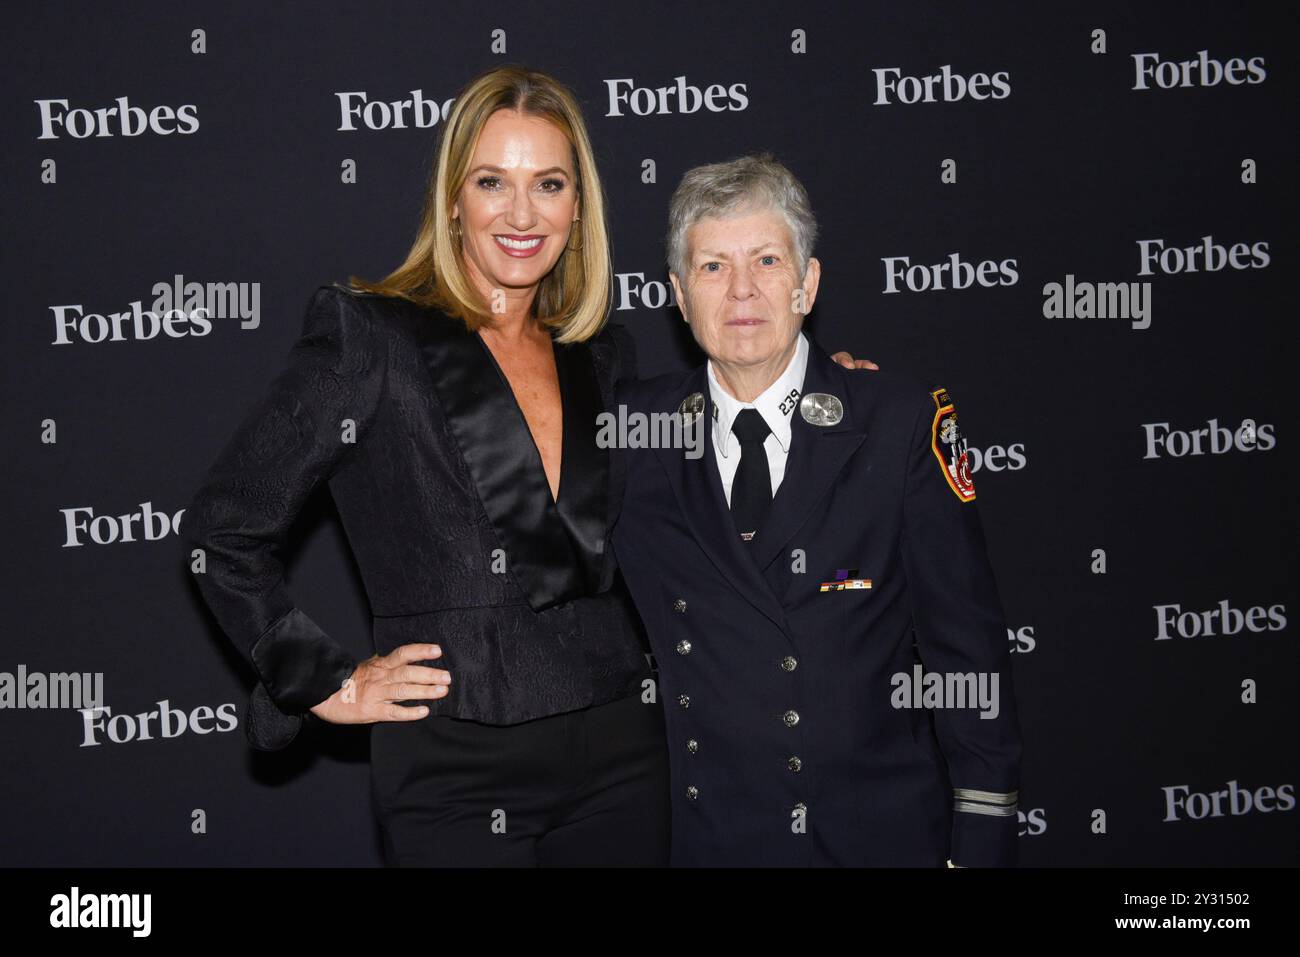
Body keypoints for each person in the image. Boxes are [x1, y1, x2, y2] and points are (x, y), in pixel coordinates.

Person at [182, 65, 874, 867]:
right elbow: (223, 528)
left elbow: (707, 420)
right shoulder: (369, 338)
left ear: (577, 206)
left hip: (622, 750)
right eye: (491, 181)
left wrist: (814, 383)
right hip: (453, 763)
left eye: (547, 183)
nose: (520, 213)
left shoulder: (601, 356)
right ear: (452, 199)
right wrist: (325, 680)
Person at [611, 153, 1023, 867]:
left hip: (877, 837)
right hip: (712, 841)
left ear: (808, 282)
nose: (742, 289)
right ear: (678, 293)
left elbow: (968, 655)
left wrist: (982, 838)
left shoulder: (897, 424)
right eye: (712, 266)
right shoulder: (630, 434)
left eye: (768, 260)